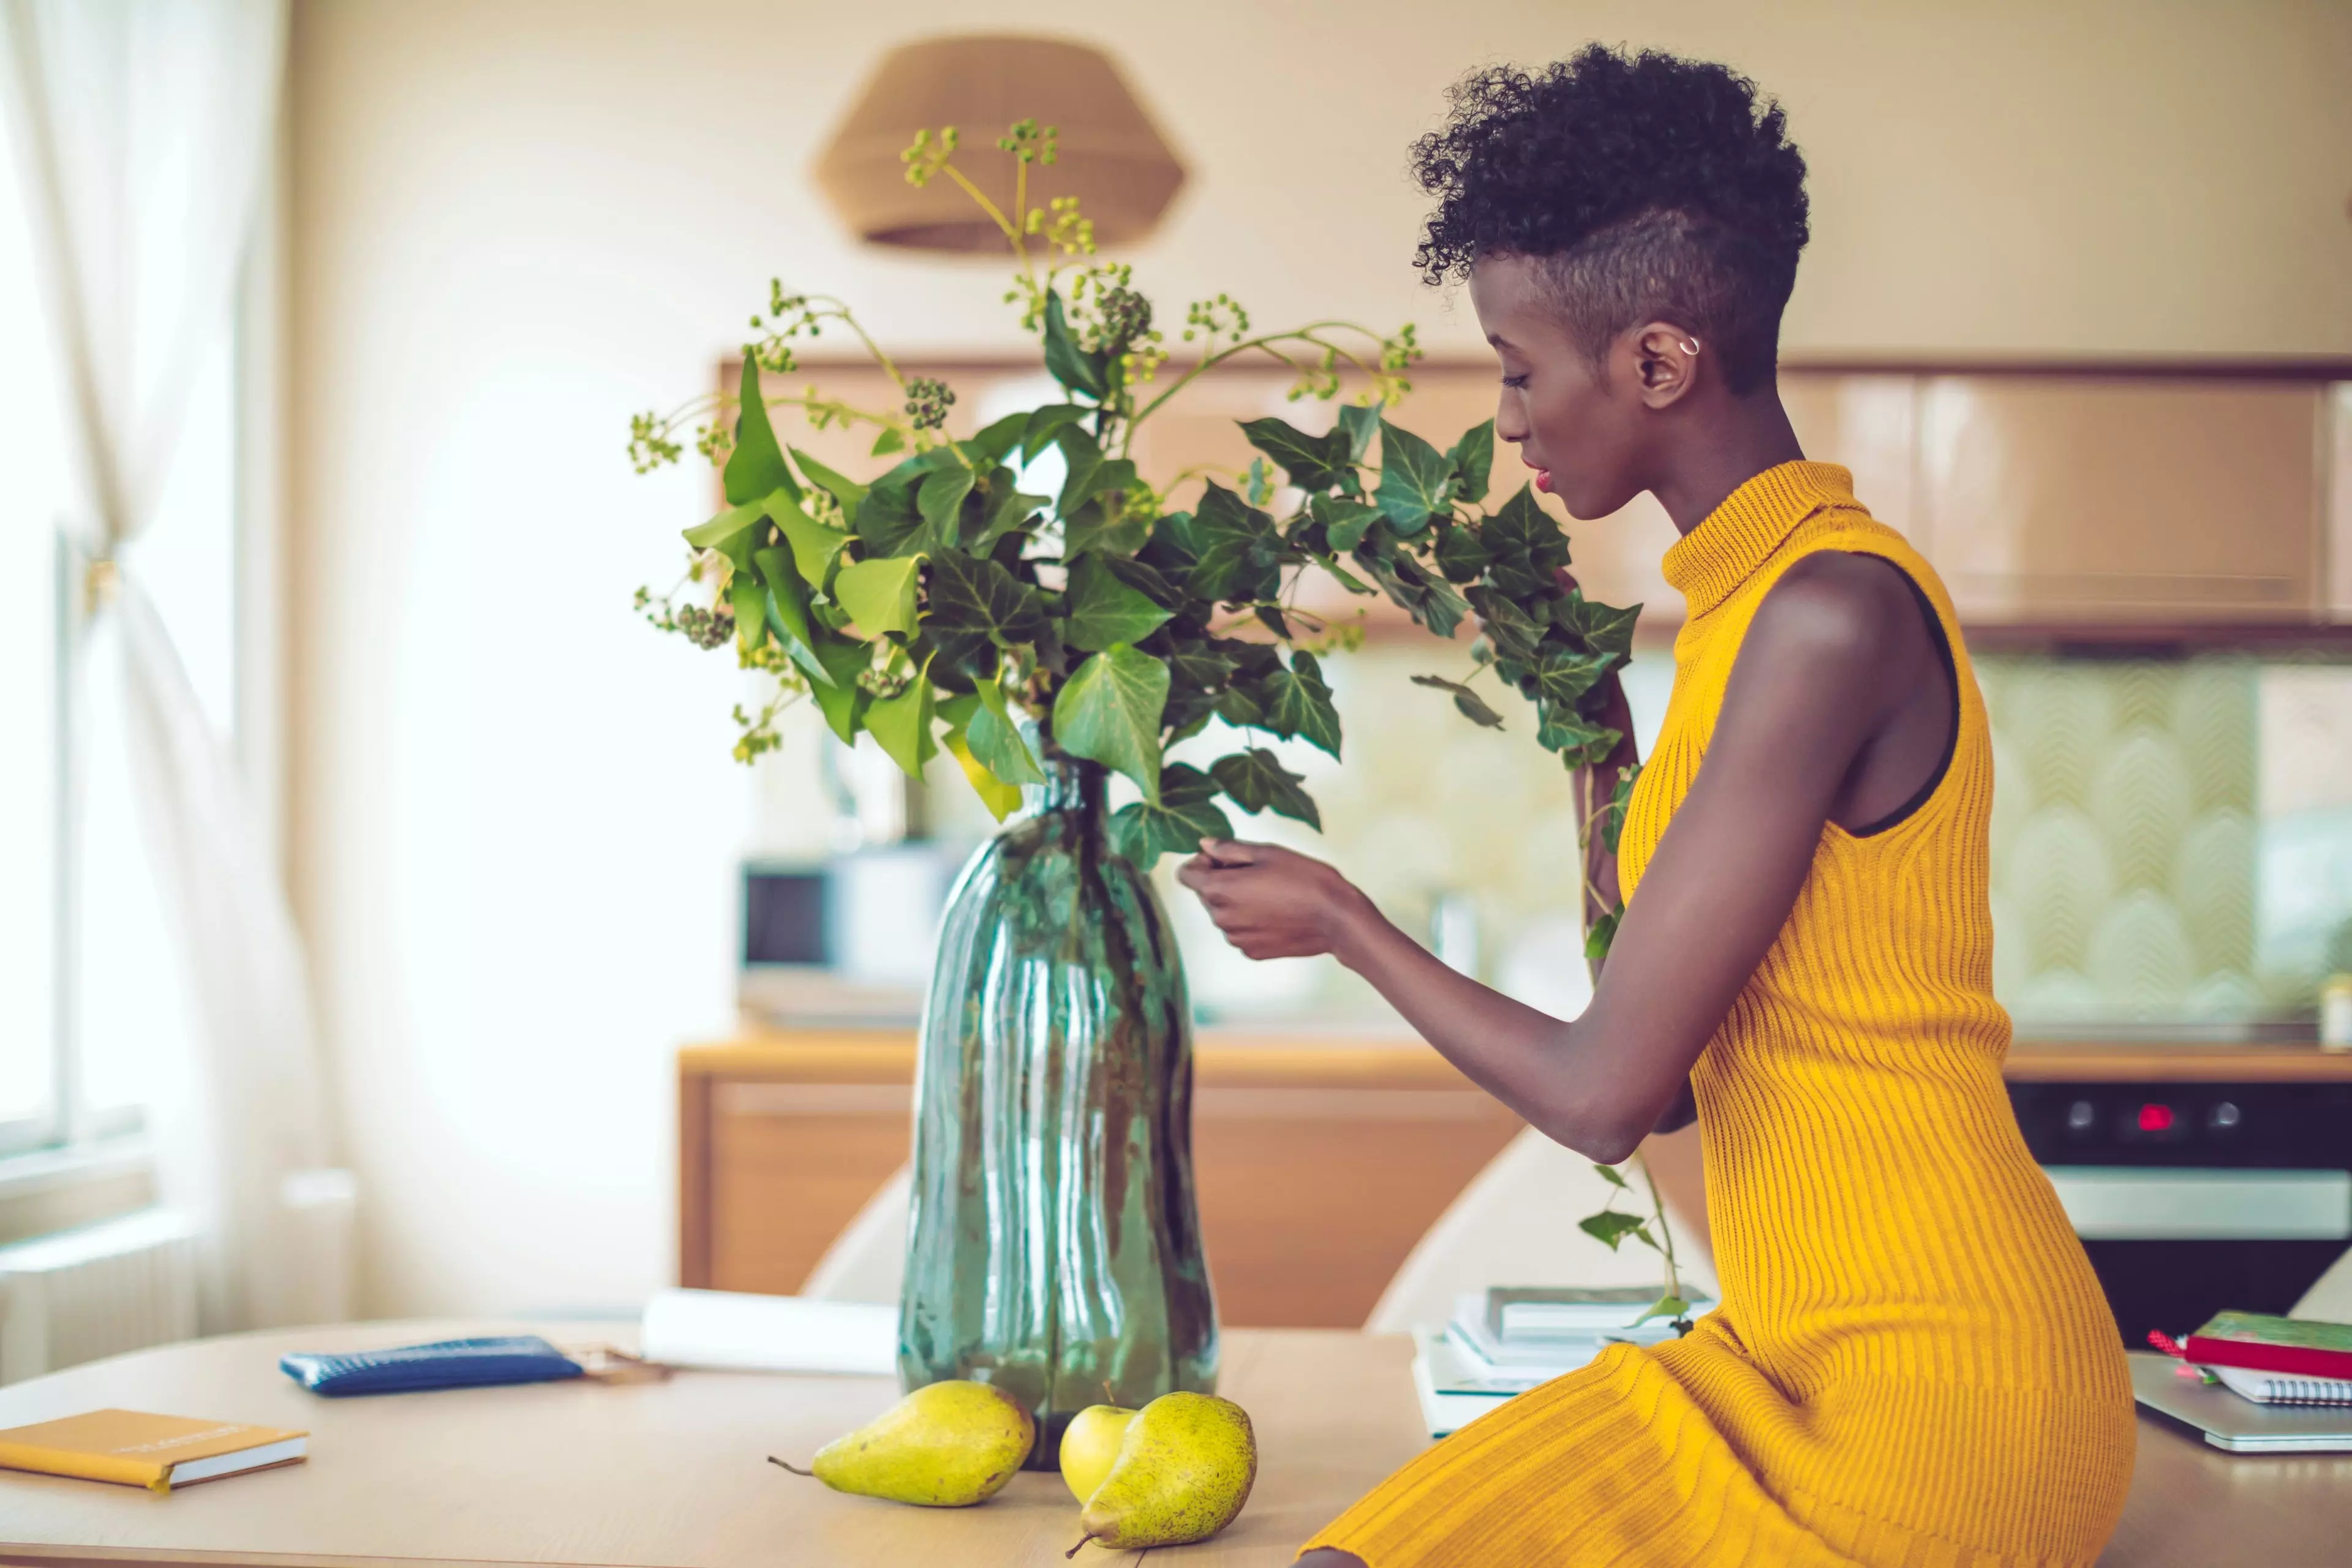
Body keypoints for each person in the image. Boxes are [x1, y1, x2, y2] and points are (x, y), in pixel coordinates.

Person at [1177, 45, 2135, 1568]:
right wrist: (1599, 761)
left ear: (1659, 363)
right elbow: (1685, 1083)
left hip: (1938, 1397)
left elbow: (1607, 1093)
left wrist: (1349, 925)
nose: (1505, 420)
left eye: (1516, 364)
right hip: (1778, 1366)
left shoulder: (1828, 612)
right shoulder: (1743, 617)